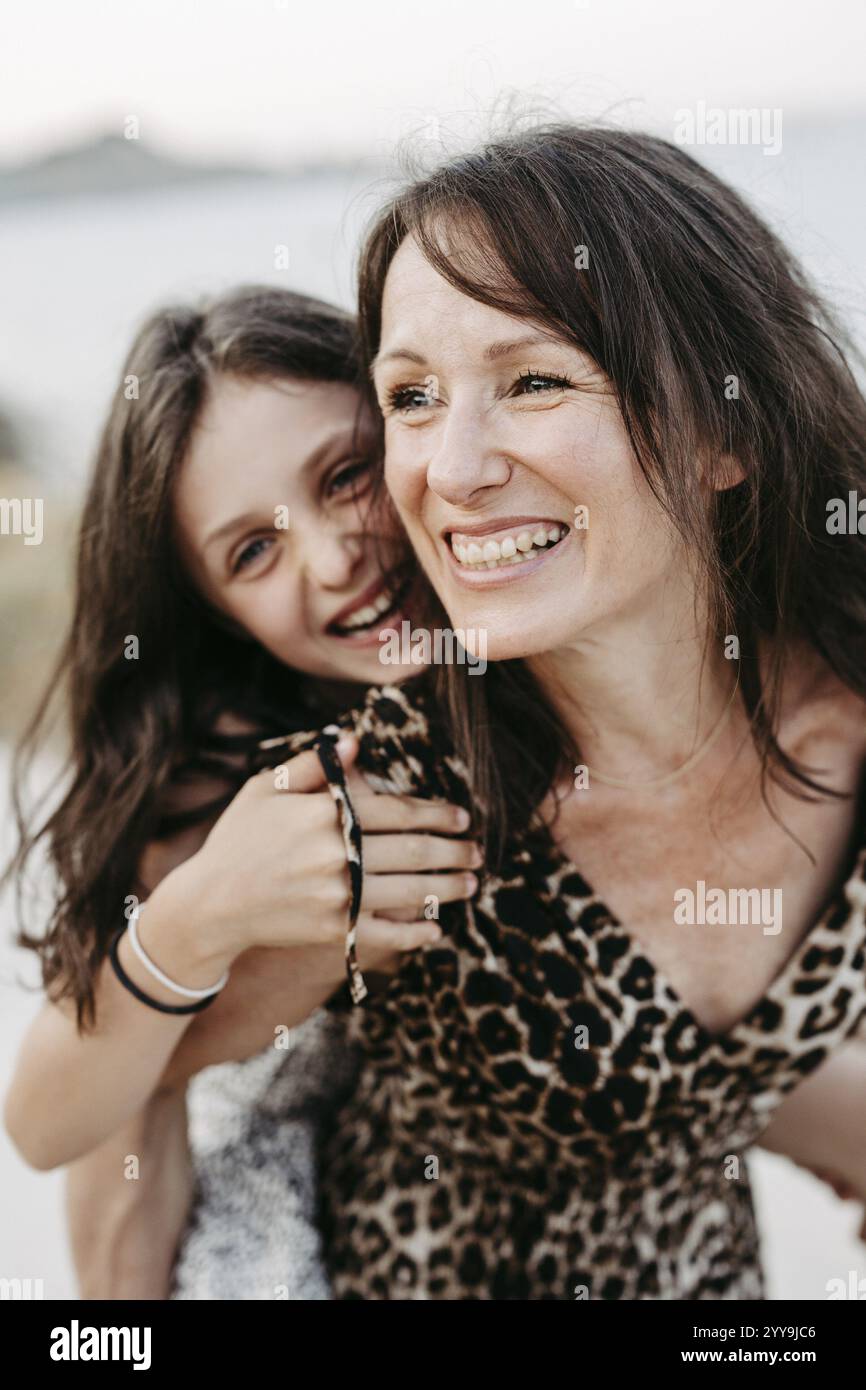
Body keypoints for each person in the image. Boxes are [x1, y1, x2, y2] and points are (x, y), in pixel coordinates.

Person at [241, 122, 866, 1299]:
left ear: (721, 432)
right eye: (411, 397)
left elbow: (705, 1067)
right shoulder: (378, 791)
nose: (451, 467)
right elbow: (113, 1102)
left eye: (531, 381)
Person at [2, 285, 478, 1298]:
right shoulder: (225, 776)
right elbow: (47, 1124)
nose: (335, 556)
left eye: (346, 475)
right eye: (253, 551)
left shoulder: (543, 635)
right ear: (214, 611)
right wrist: (205, 914)